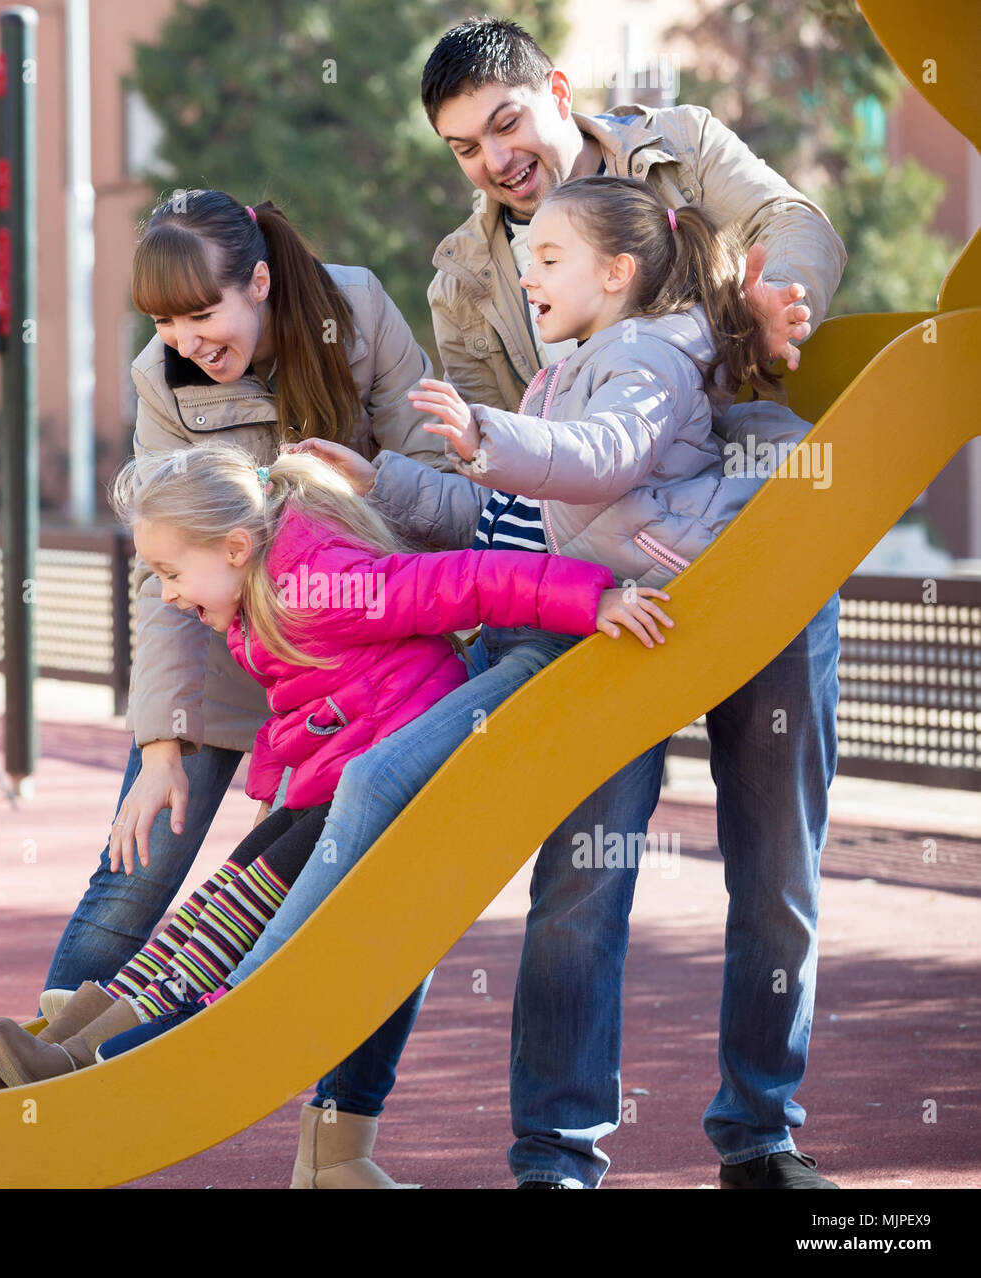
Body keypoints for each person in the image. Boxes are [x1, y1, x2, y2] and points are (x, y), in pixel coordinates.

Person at [224, 18, 846, 1190]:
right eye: (464, 149)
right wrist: (404, 481)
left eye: (505, 124)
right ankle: (557, 1155)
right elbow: (519, 480)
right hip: (596, 587)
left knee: (775, 862)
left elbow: (793, 232)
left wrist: (780, 305)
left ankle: (762, 1136)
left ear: (554, 92)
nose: (495, 160)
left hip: (746, 547)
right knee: (582, 871)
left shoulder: (678, 151)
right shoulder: (471, 275)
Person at [0, 443, 667, 1153]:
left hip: (390, 781)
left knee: (252, 914)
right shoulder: (257, 596)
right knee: (223, 897)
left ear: (233, 548)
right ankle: (85, 1040)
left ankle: (144, 1042)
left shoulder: (316, 582)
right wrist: (273, 797)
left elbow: (462, 581)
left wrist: (591, 598)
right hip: (334, 780)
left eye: (171, 573)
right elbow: (303, 713)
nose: (167, 592)